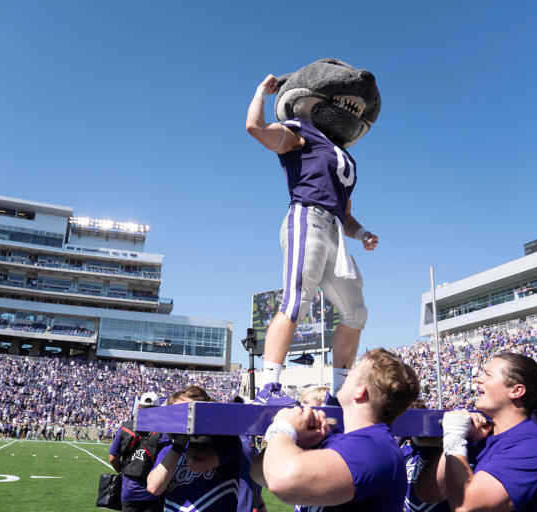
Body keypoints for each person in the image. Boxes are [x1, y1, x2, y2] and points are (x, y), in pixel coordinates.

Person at [245, 60, 380, 404]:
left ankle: (340, 392)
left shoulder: (345, 156)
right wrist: (262, 91)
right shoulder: (302, 131)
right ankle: (269, 386)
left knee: (356, 313)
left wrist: (362, 232)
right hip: (307, 218)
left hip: (334, 230)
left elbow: (345, 213)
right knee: (296, 300)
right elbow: (255, 127)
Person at [251, 348, 420, 511]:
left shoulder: (374, 449)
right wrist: (298, 439)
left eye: (354, 371)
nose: (347, 373)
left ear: (360, 392)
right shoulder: (340, 440)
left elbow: (281, 480)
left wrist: (284, 426)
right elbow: (259, 472)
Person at [414, 352, 537, 512]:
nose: (478, 379)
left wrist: (455, 438)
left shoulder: (535, 448)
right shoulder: (480, 437)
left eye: (488, 375)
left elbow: (467, 507)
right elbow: (427, 493)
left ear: (516, 391)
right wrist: (462, 438)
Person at [147, 385, 242, 512]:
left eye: (186, 411)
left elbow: (195, 463)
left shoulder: (228, 440)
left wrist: (189, 435)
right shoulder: (172, 445)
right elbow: (154, 487)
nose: (181, 418)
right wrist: (179, 443)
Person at [108, 392, 168, 512]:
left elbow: (113, 458)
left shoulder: (125, 428)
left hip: (129, 490)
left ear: (139, 407)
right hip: (154, 492)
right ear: (158, 410)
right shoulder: (163, 431)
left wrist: (123, 471)